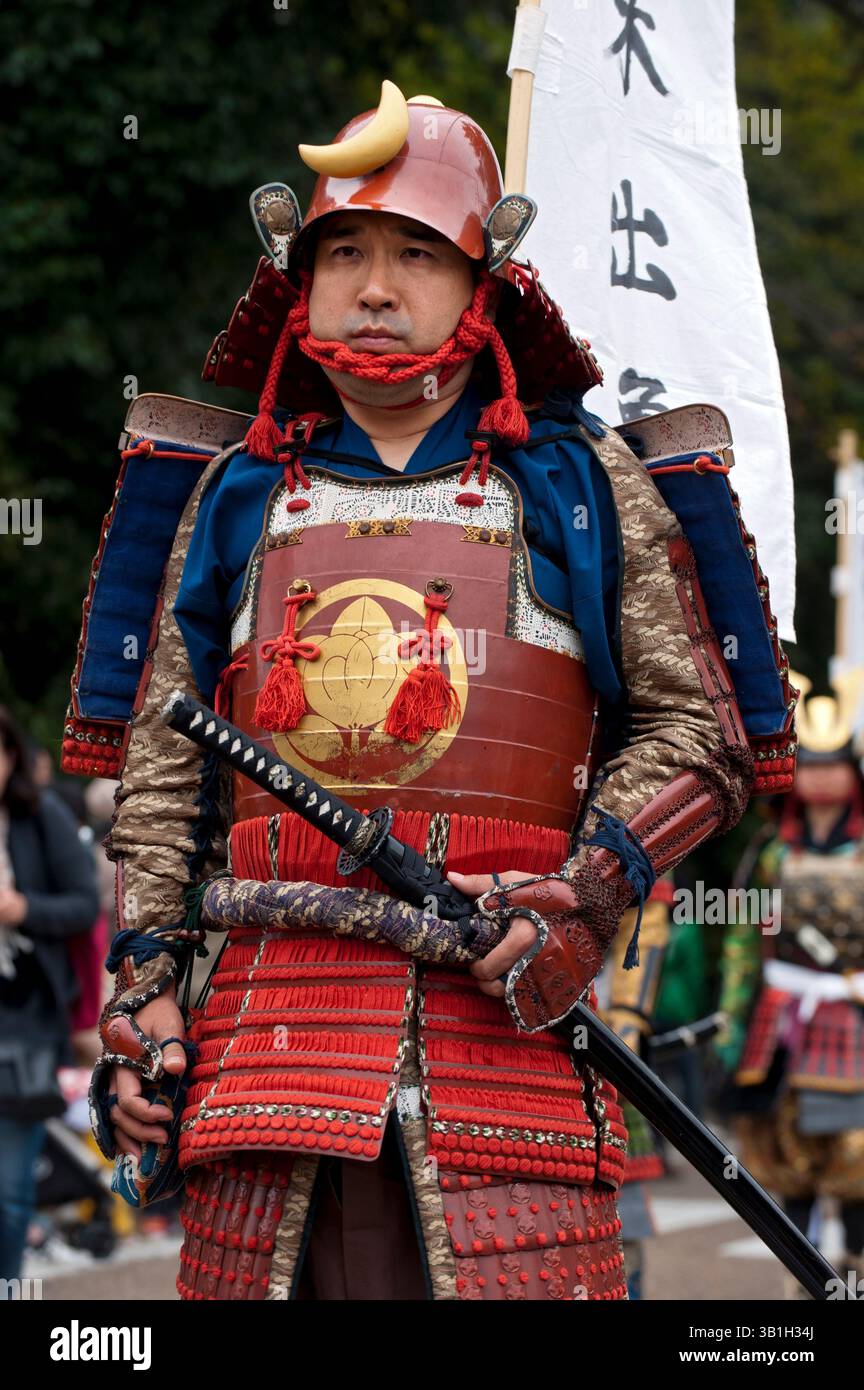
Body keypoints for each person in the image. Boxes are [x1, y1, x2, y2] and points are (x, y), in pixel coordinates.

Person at [80, 83, 786, 1301]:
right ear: (296, 283)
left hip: (500, 1019)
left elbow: (697, 733)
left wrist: (580, 891)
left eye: (415, 253)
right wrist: (144, 992)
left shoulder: (575, 483)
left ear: (484, 277)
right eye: (342, 252)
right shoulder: (240, 495)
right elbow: (163, 770)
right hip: (266, 1030)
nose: (373, 286)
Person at [717, 669, 864, 1293]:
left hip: (854, 1016)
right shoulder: (771, 853)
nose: (825, 777)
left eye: (837, 765)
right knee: (786, 1158)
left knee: (858, 1165)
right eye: (814, 764)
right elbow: (745, 942)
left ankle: (856, 1275)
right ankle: (799, 1289)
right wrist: (732, 1015)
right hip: (782, 1020)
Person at [0, 706, 99, 1284]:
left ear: (12, 755)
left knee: (10, 1190)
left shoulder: (40, 817)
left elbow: (84, 904)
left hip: (28, 1019)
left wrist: (23, 910)